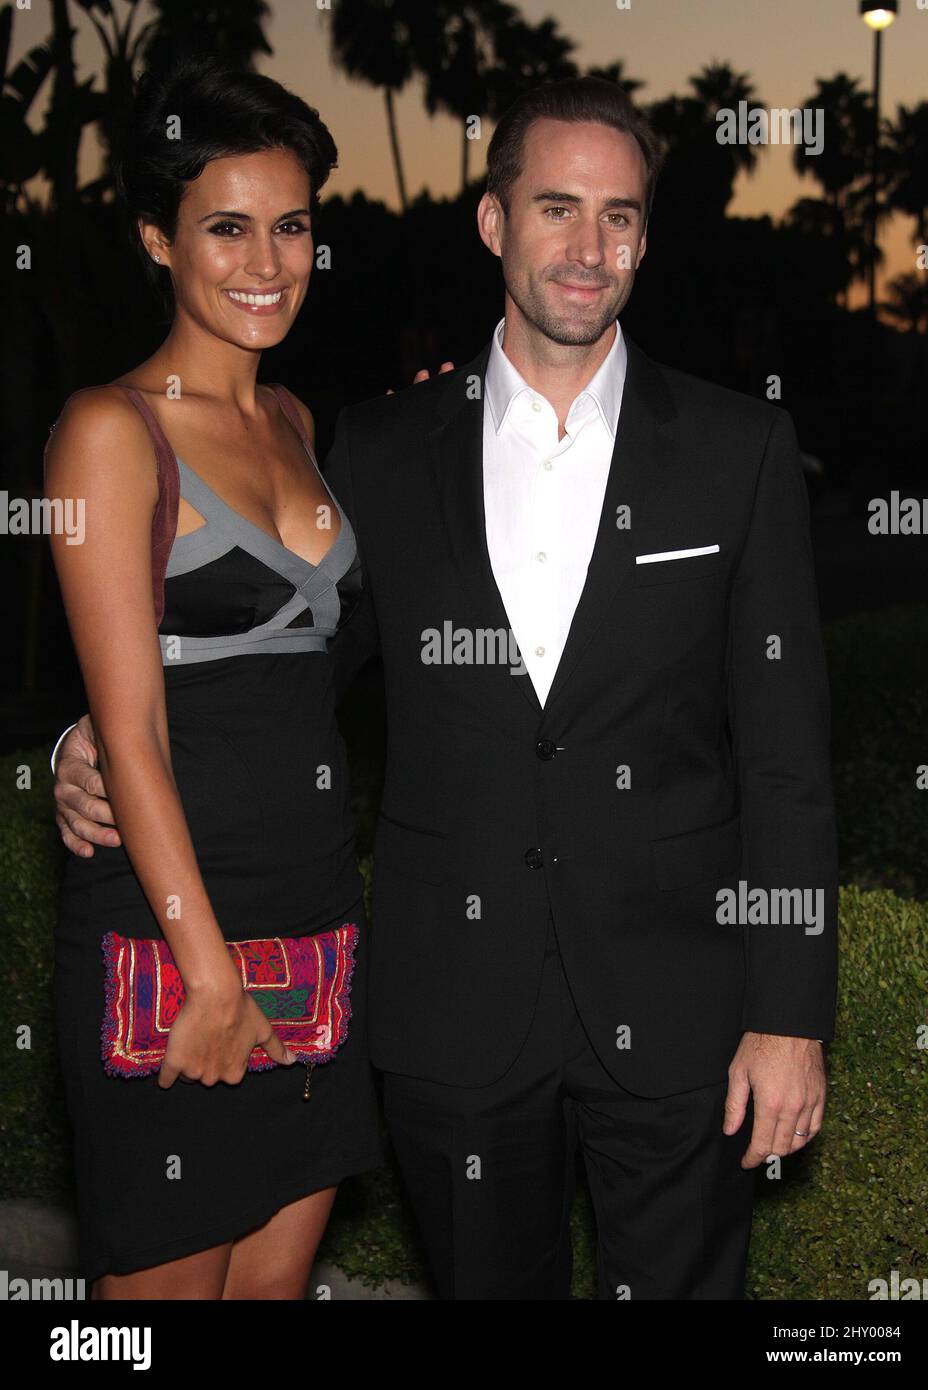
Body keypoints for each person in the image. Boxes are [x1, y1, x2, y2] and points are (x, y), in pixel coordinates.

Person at [54, 76, 837, 1301]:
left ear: (645, 235)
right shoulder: (372, 448)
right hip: (451, 1018)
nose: (589, 250)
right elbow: (271, 657)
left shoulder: (741, 452)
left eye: (620, 217)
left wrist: (792, 1014)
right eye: (556, 209)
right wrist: (80, 738)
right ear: (493, 223)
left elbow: (791, 757)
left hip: (680, 1009)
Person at [43, 58, 384, 1299]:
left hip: (318, 930)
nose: (266, 260)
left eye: (290, 226)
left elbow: (314, 679)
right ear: (155, 237)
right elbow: (129, 729)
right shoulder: (107, 430)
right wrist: (210, 972)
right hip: (176, 942)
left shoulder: (296, 419)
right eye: (225, 226)